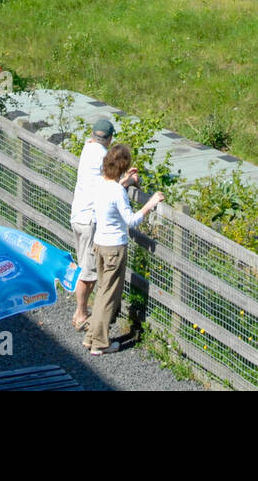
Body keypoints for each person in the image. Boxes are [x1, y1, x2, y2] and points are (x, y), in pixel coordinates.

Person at [84, 143, 163, 356]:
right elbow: (131, 220)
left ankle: (91, 336)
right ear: (122, 167)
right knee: (108, 296)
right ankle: (100, 343)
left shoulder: (101, 184)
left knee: (102, 291)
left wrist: (124, 180)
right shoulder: (118, 192)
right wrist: (151, 203)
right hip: (114, 248)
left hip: (99, 245)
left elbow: (112, 190)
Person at [69, 117, 114, 330]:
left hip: (77, 215)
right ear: (110, 138)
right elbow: (108, 185)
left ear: (93, 135)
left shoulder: (87, 149)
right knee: (88, 272)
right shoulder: (103, 155)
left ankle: (83, 311)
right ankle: (81, 314)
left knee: (84, 267)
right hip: (89, 219)